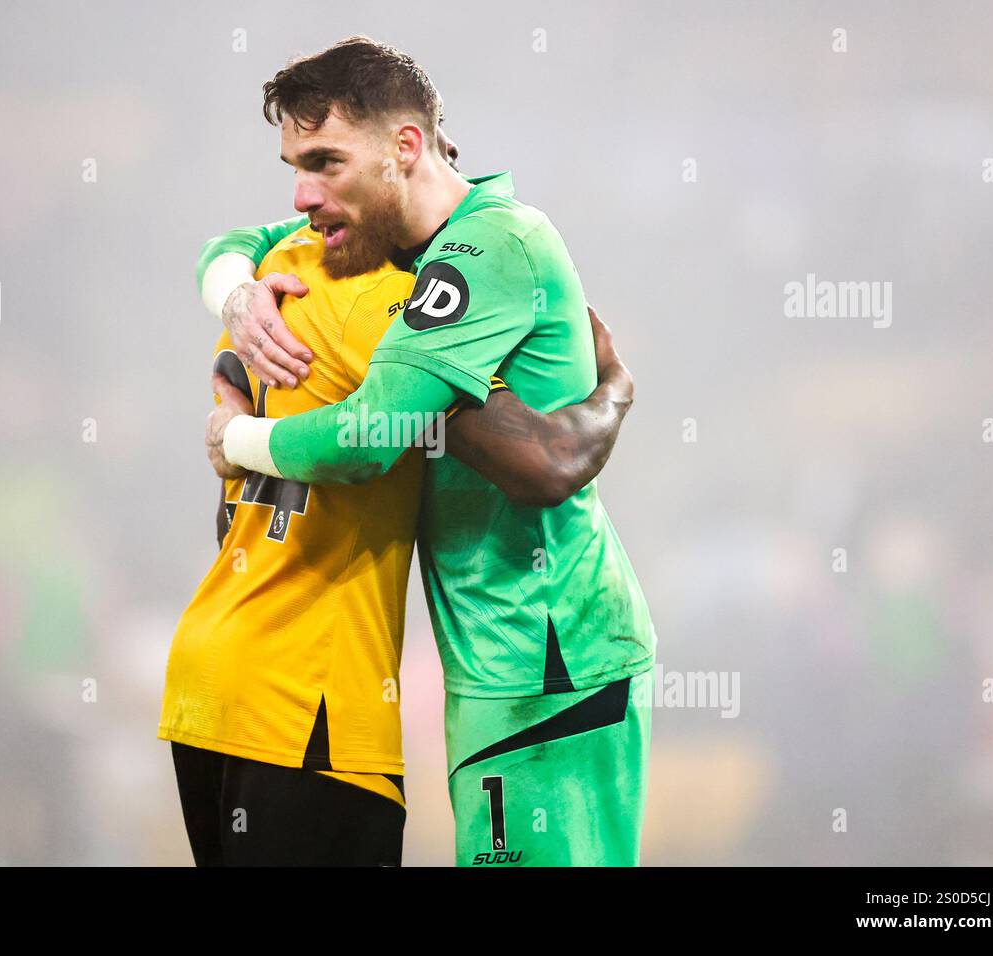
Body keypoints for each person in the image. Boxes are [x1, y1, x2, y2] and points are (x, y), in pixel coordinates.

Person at [196, 37, 656, 865]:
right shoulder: (381, 242)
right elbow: (236, 237)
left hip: (552, 663)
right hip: (489, 659)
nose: (303, 194)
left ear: (405, 148)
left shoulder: (488, 249)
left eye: (325, 162)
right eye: (294, 165)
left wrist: (236, 438)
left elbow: (370, 437)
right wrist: (235, 290)